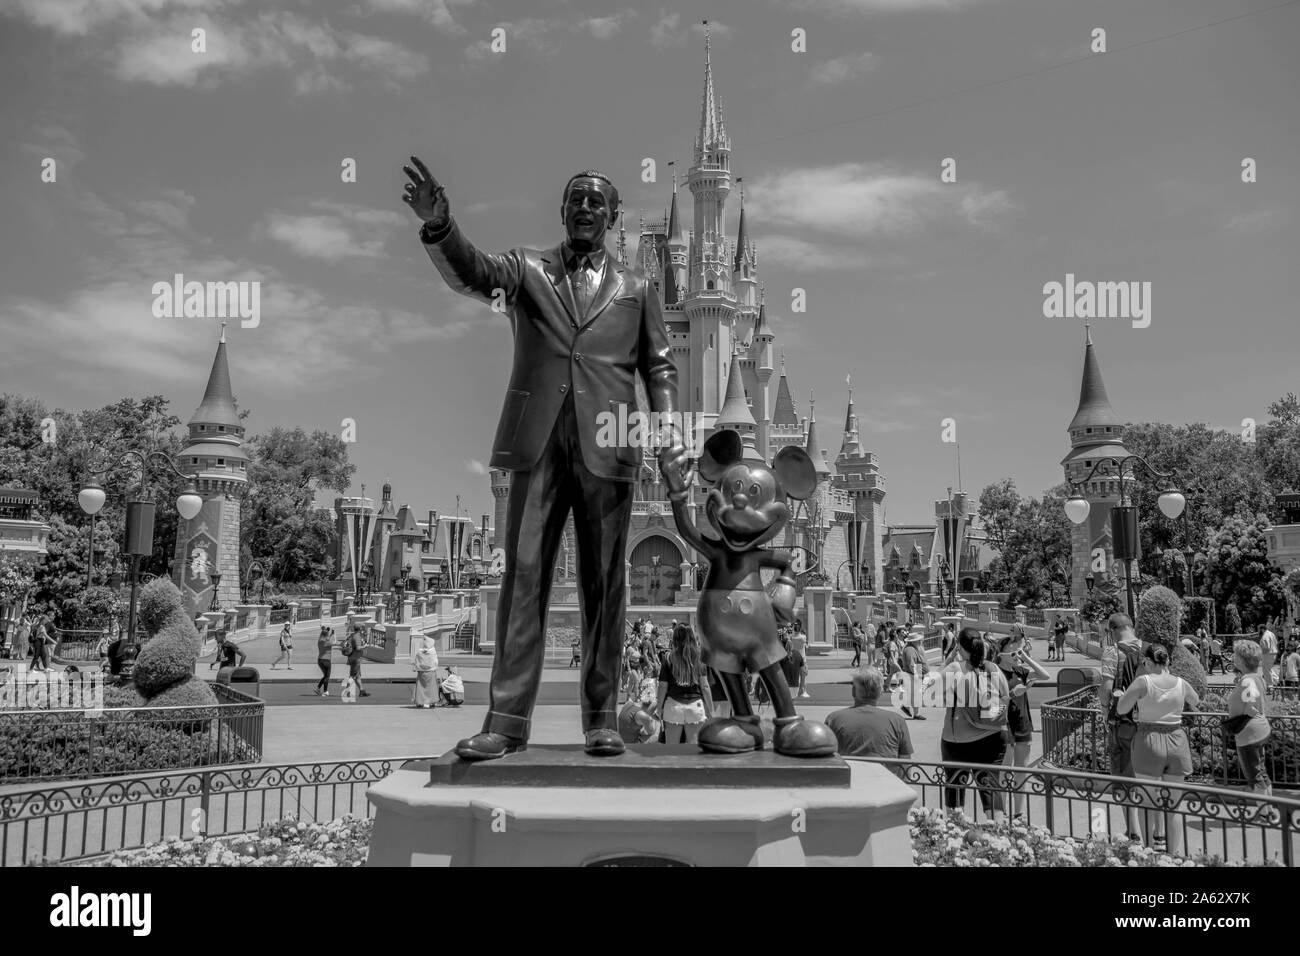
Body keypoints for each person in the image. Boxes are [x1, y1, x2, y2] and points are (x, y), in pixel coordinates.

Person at [405, 158, 683, 761]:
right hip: (537, 443)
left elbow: (659, 366)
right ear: (562, 212)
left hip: (610, 444)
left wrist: (668, 435)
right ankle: (506, 720)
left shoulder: (638, 290)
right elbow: (474, 274)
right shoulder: (527, 271)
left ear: (612, 218)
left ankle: (603, 720)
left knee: (606, 586)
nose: (585, 207)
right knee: (524, 579)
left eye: (596, 201)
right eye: (574, 199)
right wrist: (441, 227)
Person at [1116, 643, 1200, 855]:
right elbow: (1196, 699)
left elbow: (1121, 709)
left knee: (1146, 801)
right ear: (1167, 661)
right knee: (1173, 805)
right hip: (1176, 740)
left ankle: (1149, 851)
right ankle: (1172, 855)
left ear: (1148, 662)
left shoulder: (1143, 681)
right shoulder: (1180, 682)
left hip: (1149, 739)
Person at [939, 627, 1011, 819]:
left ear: (960, 647)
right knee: (990, 787)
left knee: (955, 787)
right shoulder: (993, 668)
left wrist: (948, 658)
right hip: (994, 737)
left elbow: (928, 685)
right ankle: (998, 836)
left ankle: (955, 836)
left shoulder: (956, 668)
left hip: (958, 741)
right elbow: (1005, 697)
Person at [995, 630, 1050, 820]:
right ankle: (1000, 813)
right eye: (1013, 653)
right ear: (1001, 654)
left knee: (1020, 772)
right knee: (1004, 772)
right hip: (1004, 727)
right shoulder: (995, 673)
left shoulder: (1021, 671)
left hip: (1023, 725)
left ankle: (1018, 814)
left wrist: (1025, 657)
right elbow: (990, 705)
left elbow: (1045, 675)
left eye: (1018, 652)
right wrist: (1011, 695)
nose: (1016, 656)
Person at [1100, 612, 1145, 838]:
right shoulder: (1149, 649)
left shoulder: (1112, 651)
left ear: (1112, 631)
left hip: (1122, 722)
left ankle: (1134, 832)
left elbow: (1107, 688)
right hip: (1148, 722)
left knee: (1123, 779)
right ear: (1131, 626)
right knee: (1146, 777)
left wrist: (1104, 708)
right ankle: (1153, 835)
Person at [826, 667, 913, 761]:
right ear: (880, 692)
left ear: (853, 691)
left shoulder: (833, 719)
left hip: (850, 774)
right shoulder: (897, 721)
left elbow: (826, 757)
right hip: (886, 775)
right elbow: (905, 760)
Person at [653, 624, 713, 746]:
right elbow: (705, 686)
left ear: (675, 638)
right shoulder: (699, 658)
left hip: (673, 706)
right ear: (692, 637)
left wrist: (659, 708)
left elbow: (663, 686)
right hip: (695, 706)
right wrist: (711, 709)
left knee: (672, 750)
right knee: (693, 750)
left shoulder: (668, 657)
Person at [1226, 639, 1272, 794]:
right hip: (1260, 729)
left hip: (1248, 733)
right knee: (1261, 773)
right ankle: (1270, 809)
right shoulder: (1257, 677)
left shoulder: (1247, 681)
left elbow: (1250, 701)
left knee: (1254, 777)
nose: (1233, 657)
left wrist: (1247, 711)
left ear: (1241, 659)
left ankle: (1266, 813)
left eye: (1235, 654)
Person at [899, 629, 928, 720]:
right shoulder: (910, 650)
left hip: (915, 672)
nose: (920, 641)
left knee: (915, 694)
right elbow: (911, 664)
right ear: (914, 641)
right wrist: (916, 674)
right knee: (917, 694)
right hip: (913, 674)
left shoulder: (912, 648)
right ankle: (913, 711)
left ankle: (910, 709)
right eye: (919, 640)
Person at [341, 625, 370, 698]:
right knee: (352, 676)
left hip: (353, 657)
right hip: (356, 658)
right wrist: (365, 646)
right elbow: (358, 648)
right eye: (362, 629)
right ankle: (347, 692)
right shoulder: (357, 636)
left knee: (358, 676)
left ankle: (362, 691)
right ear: (360, 629)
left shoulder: (352, 635)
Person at [412, 638, 440, 708]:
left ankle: (420, 702)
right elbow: (435, 662)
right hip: (431, 671)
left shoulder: (419, 652)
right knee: (431, 687)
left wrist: (417, 668)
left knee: (421, 687)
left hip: (421, 672)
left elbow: (416, 661)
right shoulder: (433, 652)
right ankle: (431, 701)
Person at [789, 623, 810, 699]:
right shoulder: (803, 637)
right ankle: (803, 691)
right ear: (800, 629)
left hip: (794, 658)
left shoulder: (791, 637)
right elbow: (806, 645)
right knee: (803, 676)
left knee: (795, 676)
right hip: (802, 658)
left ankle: (796, 691)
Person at [1257, 623, 1279, 690]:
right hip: (1273, 653)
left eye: (1259, 630)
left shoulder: (1265, 636)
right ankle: (1277, 681)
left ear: (1262, 629)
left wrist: (1260, 654)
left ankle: (1270, 686)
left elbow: (1267, 648)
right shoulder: (1271, 633)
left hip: (1268, 654)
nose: (1258, 631)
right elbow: (1276, 643)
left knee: (1266, 670)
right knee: (1269, 669)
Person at [315, 625, 335, 697]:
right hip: (326, 660)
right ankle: (325, 691)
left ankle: (318, 688)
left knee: (325, 676)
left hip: (320, 660)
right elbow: (336, 644)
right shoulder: (328, 642)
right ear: (326, 635)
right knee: (327, 676)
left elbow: (326, 638)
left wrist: (331, 634)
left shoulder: (320, 641)